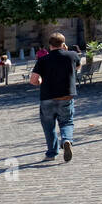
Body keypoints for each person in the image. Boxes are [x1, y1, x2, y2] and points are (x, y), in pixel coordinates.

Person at [30, 32, 77, 162]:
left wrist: (40, 81)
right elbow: (77, 67)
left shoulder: (43, 60)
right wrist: (67, 52)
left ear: (49, 45)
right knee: (66, 121)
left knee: (48, 126)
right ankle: (66, 140)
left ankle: (52, 153)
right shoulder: (72, 56)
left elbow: (33, 80)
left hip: (47, 97)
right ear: (63, 44)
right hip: (66, 96)